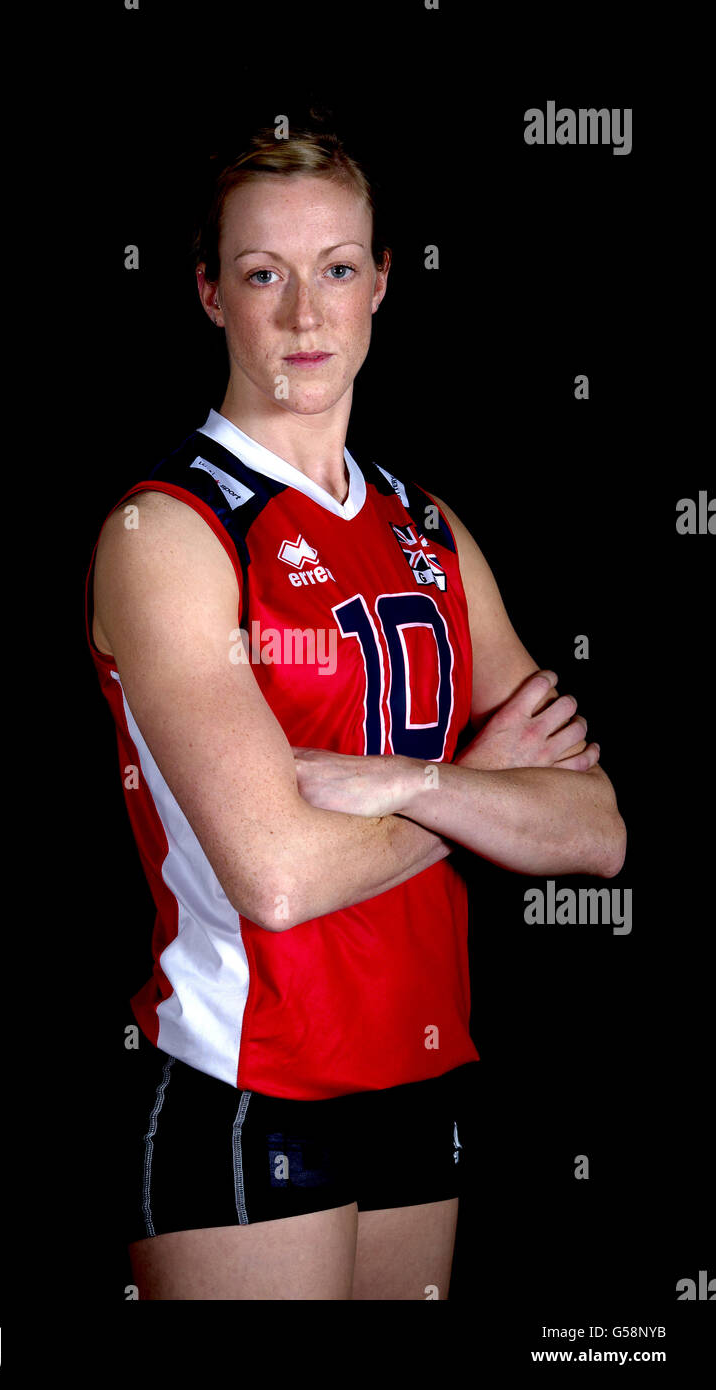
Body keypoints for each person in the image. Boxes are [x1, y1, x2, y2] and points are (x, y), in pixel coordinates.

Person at [84, 116, 626, 1300]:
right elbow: (273, 876)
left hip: (419, 1073)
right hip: (246, 1075)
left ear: (381, 282)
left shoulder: (427, 527)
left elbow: (594, 830)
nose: (302, 314)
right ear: (207, 293)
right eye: (260, 274)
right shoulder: (170, 532)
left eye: (334, 269)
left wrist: (406, 780)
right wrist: (483, 788)